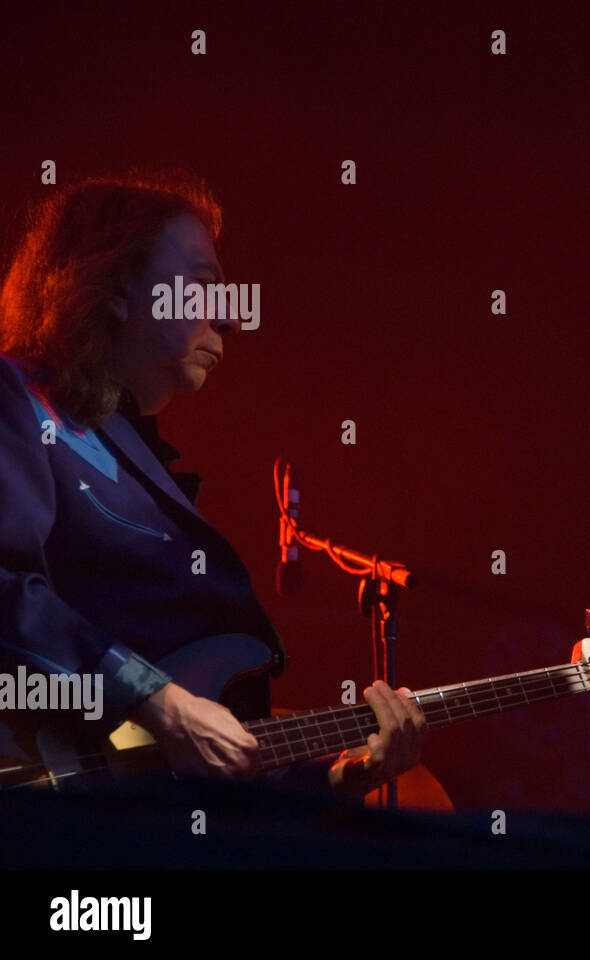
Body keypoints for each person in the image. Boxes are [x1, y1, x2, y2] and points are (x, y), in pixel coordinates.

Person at [0, 174, 425, 796]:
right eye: (204, 287)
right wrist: (155, 700)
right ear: (117, 289)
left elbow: (198, 760)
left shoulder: (140, 462)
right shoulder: (16, 397)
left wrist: (339, 775)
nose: (230, 320)